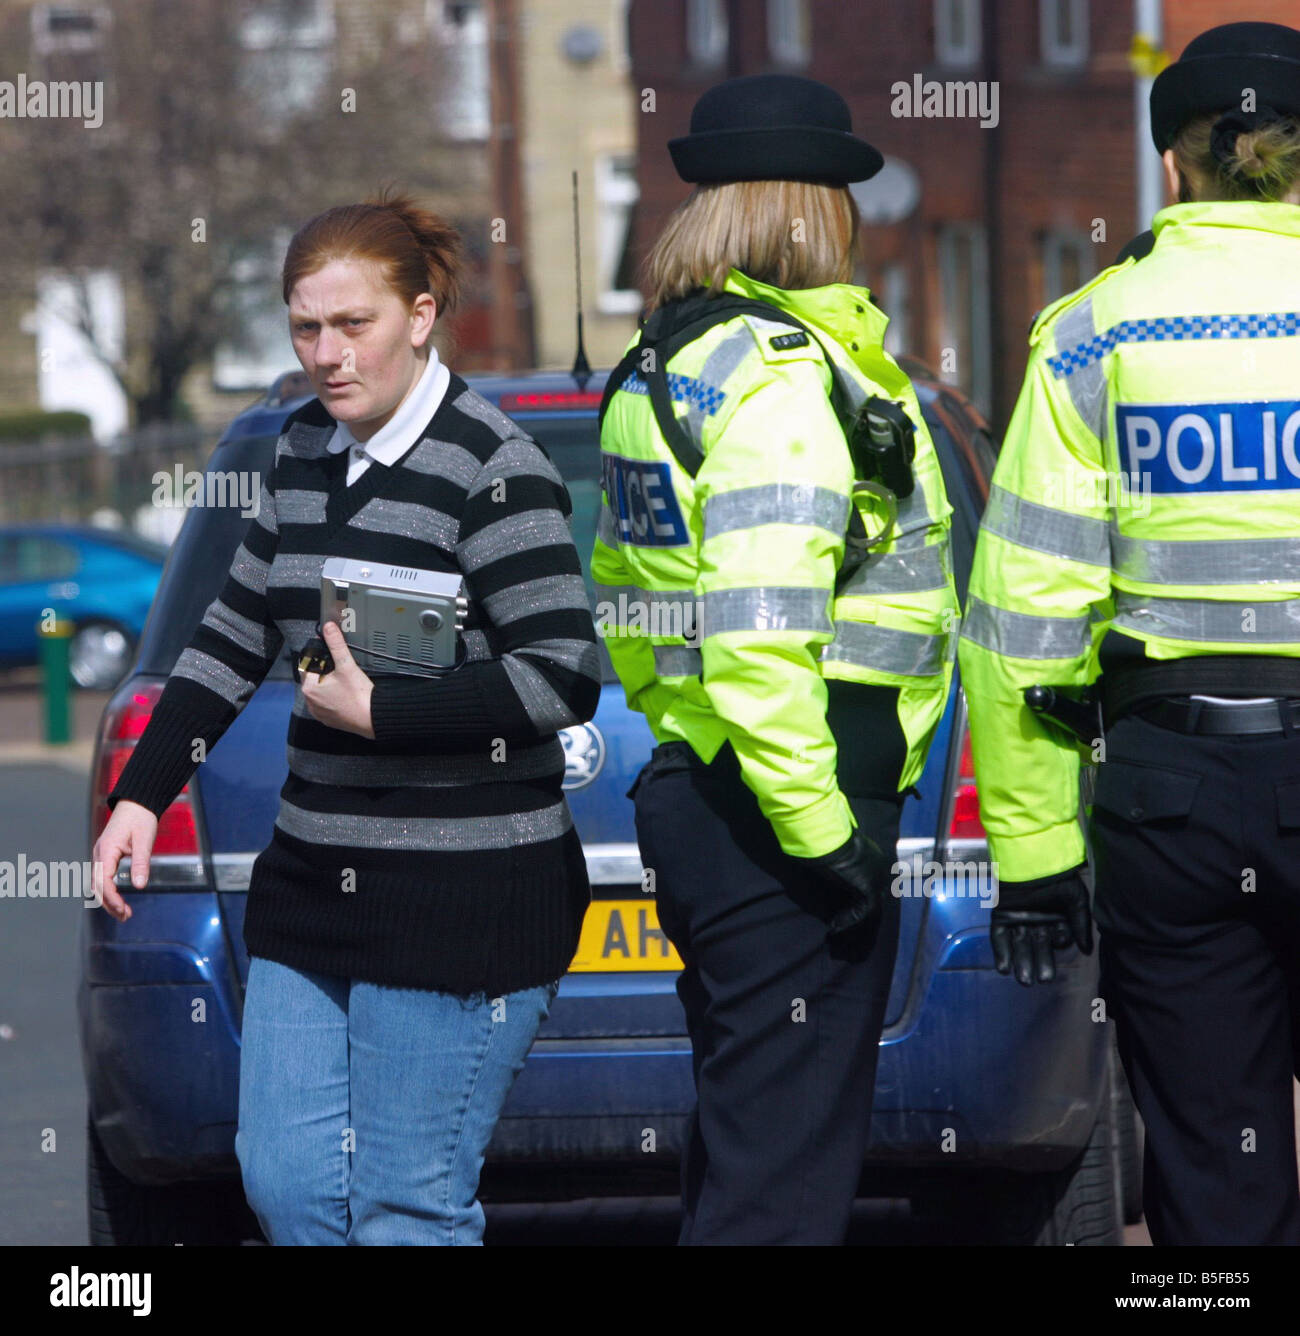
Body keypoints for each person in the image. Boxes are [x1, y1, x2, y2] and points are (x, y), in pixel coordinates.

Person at [91, 189, 600, 1245]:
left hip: (460, 896)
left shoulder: (494, 470)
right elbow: (230, 640)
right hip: (315, 886)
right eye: (306, 328)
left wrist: (391, 713)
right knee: (288, 1189)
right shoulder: (300, 460)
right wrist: (142, 793)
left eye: (353, 324)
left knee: (407, 1206)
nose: (327, 353)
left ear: (419, 316)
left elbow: (562, 675)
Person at [593, 73, 959, 1244]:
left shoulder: (660, 366)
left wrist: (685, 735)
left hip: (706, 791)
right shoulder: (780, 380)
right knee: (783, 1187)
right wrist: (828, 843)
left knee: (749, 1148)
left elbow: (633, 609)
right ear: (811, 212)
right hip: (791, 820)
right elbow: (759, 638)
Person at [958, 21, 1300, 1245]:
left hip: (1172, 793)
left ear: (1170, 168)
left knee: (1213, 1166)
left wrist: (1037, 855)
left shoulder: (1095, 333)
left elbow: (1020, 625)